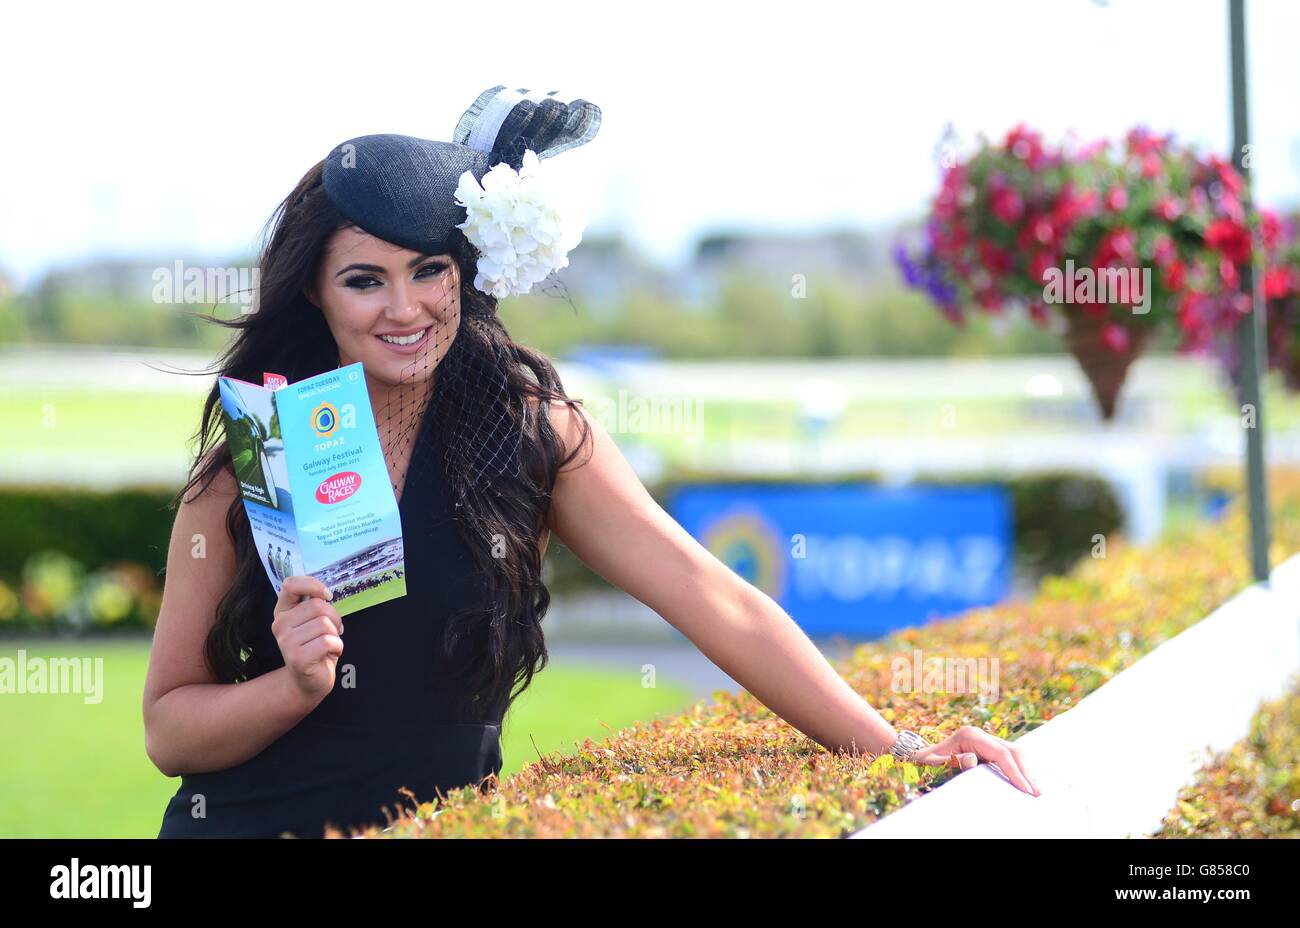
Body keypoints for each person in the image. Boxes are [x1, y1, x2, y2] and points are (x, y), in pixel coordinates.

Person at [144, 85, 1039, 839]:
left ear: (470, 272)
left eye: (430, 271)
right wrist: (290, 689)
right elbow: (169, 730)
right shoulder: (249, 464)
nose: (404, 307)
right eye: (364, 279)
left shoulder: (533, 434)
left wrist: (896, 748)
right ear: (315, 290)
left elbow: (715, 597)